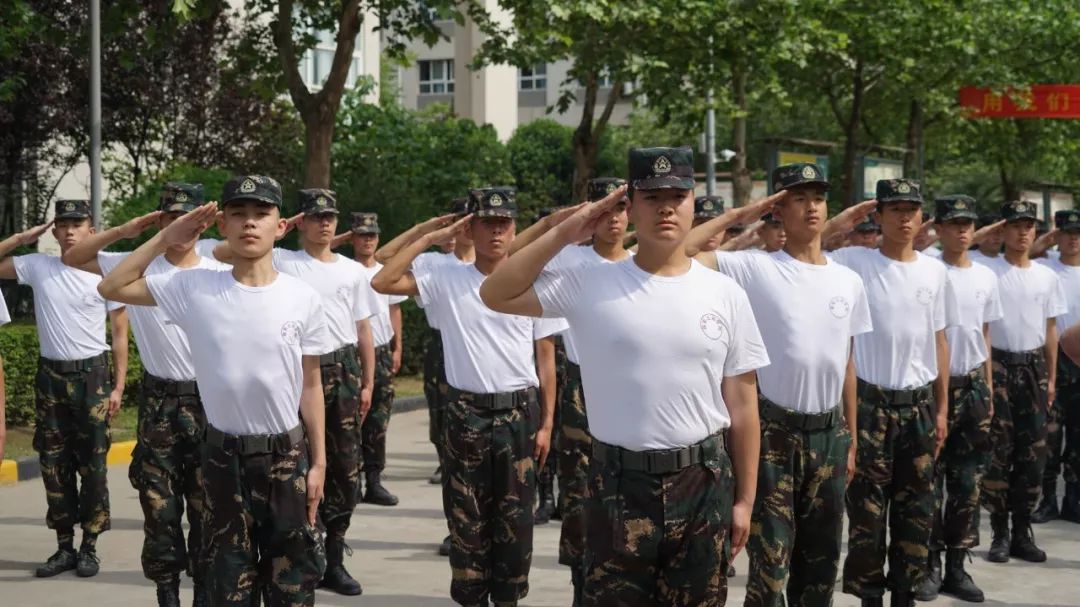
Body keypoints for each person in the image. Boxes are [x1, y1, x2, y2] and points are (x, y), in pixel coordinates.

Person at [480, 146, 768, 607]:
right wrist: (566, 230)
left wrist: (745, 499)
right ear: (629, 206)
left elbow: (744, 403)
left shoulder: (725, 293)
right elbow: (495, 292)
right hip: (618, 483)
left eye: (677, 195)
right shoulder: (590, 284)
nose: (666, 207)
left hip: (703, 482)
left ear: (694, 202)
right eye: (652, 197)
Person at [98, 176, 332, 605]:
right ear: (220, 225)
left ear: (281, 227)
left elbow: (311, 384)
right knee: (226, 585)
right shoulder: (195, 288)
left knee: (292, 586)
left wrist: (319, 462)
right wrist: (165, 236)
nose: (250, 224)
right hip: (223, 460)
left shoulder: (303, 297)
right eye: (238, 215)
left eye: (261, 214)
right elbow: (111, 287)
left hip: (287, 457)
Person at [370, 186, 563, 607]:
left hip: (518, 413)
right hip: (465, 413)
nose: (496, 231)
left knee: (516, 521)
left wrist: (548, 422)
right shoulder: (444, 276)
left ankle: (509, 598)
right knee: (466, 518)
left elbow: (545, 358)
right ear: (469, 229)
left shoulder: (530, 278)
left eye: (504, 223)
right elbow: (382, 278)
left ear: (515, 228)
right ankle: (472, 597)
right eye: (486, 223)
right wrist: (428, 236)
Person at [690, 163, 868, 607]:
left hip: (829, 435)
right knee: (769, 568)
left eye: (818, 198)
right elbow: (683, 252)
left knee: (822, 564)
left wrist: (851, 435)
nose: (811, 207)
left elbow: (846, 362)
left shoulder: (848, 280)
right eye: (798, 198)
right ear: (778, 210)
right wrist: (745, 213)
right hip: (774, 437)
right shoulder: (754, 268)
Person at [60, 183, 225, 606]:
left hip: (211, 400)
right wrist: (134, 230)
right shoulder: (136, 265)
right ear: (161, 220)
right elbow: (74, 257)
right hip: (160, 403)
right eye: (173, 218)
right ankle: (167, 593)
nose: (182, 227)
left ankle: (206, 593)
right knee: (159, 507)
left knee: (209, 505)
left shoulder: (217, 270)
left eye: (191, 220)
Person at [506, 177, 632, 604]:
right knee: (579, 498)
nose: (612, 219)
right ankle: (582, 586)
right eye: (603, 211)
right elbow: (509, 255)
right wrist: (561, 222)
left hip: (629, 387)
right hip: (582, 387)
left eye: (620, 209)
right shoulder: (571, 262)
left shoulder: (638, 264)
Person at [830, 179, 949, 607]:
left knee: (916, 508)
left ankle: (906, 594)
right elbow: (814, 240)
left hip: (917, 405)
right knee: (867, 513)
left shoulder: (934, 270)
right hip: (869, 404)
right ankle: (869, 598)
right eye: (893, 209)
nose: (904, 218)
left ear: (922, 217)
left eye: (911, 209)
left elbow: (939, 342)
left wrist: (942, 410)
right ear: (877, 216)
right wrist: (849, 217)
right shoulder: (852, 262)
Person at [0, 200, 129, 579]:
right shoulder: (38, 266)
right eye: (63, 224)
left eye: (78, 223)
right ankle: (63, 547)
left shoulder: (105, 268)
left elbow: (120, 333)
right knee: (53, 464)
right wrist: (21, 238)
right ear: (53, 231)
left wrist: (119, 386)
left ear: (92, 228)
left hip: (93, 376)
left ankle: (90, 546)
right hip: (50, 377)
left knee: (93, 464)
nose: (70, 230)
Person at [370, 197, 474, 555]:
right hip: (443, 348)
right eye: (459, 219)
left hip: (478, 349)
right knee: (448, 443)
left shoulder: (496, 261)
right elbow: (383, 259)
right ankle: (456, 527)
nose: (464, 227)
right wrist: (426, 230)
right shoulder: (435, 263)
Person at [915, 195, 1002, 603]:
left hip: (974, 388)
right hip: (936, 386)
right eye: (954, 224)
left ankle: (956, 565)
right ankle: (929, 564)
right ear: (939, 229)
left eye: (969, 223)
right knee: (930, 480)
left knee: (968, 483)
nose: (963, 231)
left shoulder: (985, 276)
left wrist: (989, 389)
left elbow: (982, 335)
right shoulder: (928, 270)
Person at [977, 200, 1065, 566]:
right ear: (1003, 230)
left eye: (1029, 226)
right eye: (1015, 225)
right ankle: (998, 532)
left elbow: (1050, 331)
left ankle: (1021, 531)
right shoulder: (988, 270)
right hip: (997, 365)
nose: (1023, 232)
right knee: (999, 454)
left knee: (1033, 455)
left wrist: (1051, 378)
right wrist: (985, 381)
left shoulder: (1047, 275)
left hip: (1033, 370)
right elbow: (982, 330)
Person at [351, 212, 406, 506]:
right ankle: (351, 480)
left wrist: (398, 348)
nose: (367, 240)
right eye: (361, 235)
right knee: (350, 419)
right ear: (352, 238)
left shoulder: (386, 270)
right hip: (352, 352)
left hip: (382, 350)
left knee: (379, 419)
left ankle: (374, 480)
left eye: (371, 235)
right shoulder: (345, 270)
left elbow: (395, 311)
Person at [1032, 210, 1080, 525]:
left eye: (1078, 234)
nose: (1073, 239)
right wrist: (1046, 238)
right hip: (1053, 360)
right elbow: (1025, 253)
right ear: (1056, 236)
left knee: (1078, 438)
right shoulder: (1045, 267)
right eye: (1067, 233)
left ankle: (1074, 501)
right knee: (1049, 437)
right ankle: (1046, 500)